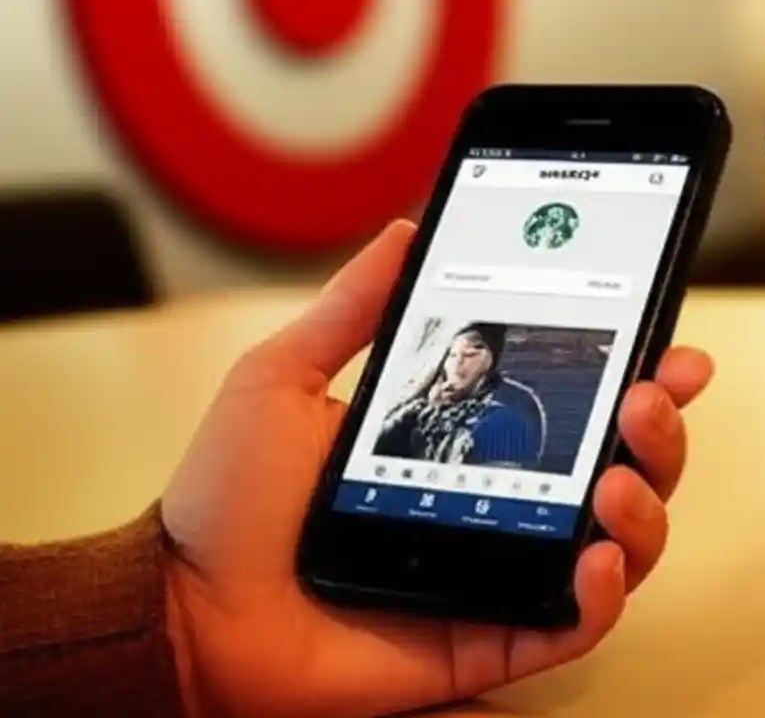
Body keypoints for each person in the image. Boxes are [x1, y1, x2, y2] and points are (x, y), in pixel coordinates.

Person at [0, 220, 714, 717]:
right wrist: (191, 626)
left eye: (473, 352)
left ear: (494, 361)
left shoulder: (511, 416)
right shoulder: (411, 403)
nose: (457, 360)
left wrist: (192, 628)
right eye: (453, 349)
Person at [375, 322, 546, 470]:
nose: (457, 363)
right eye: (452, 355)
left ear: (491, 361)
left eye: (470, 354)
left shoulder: (509, 412)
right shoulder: (421, 409)